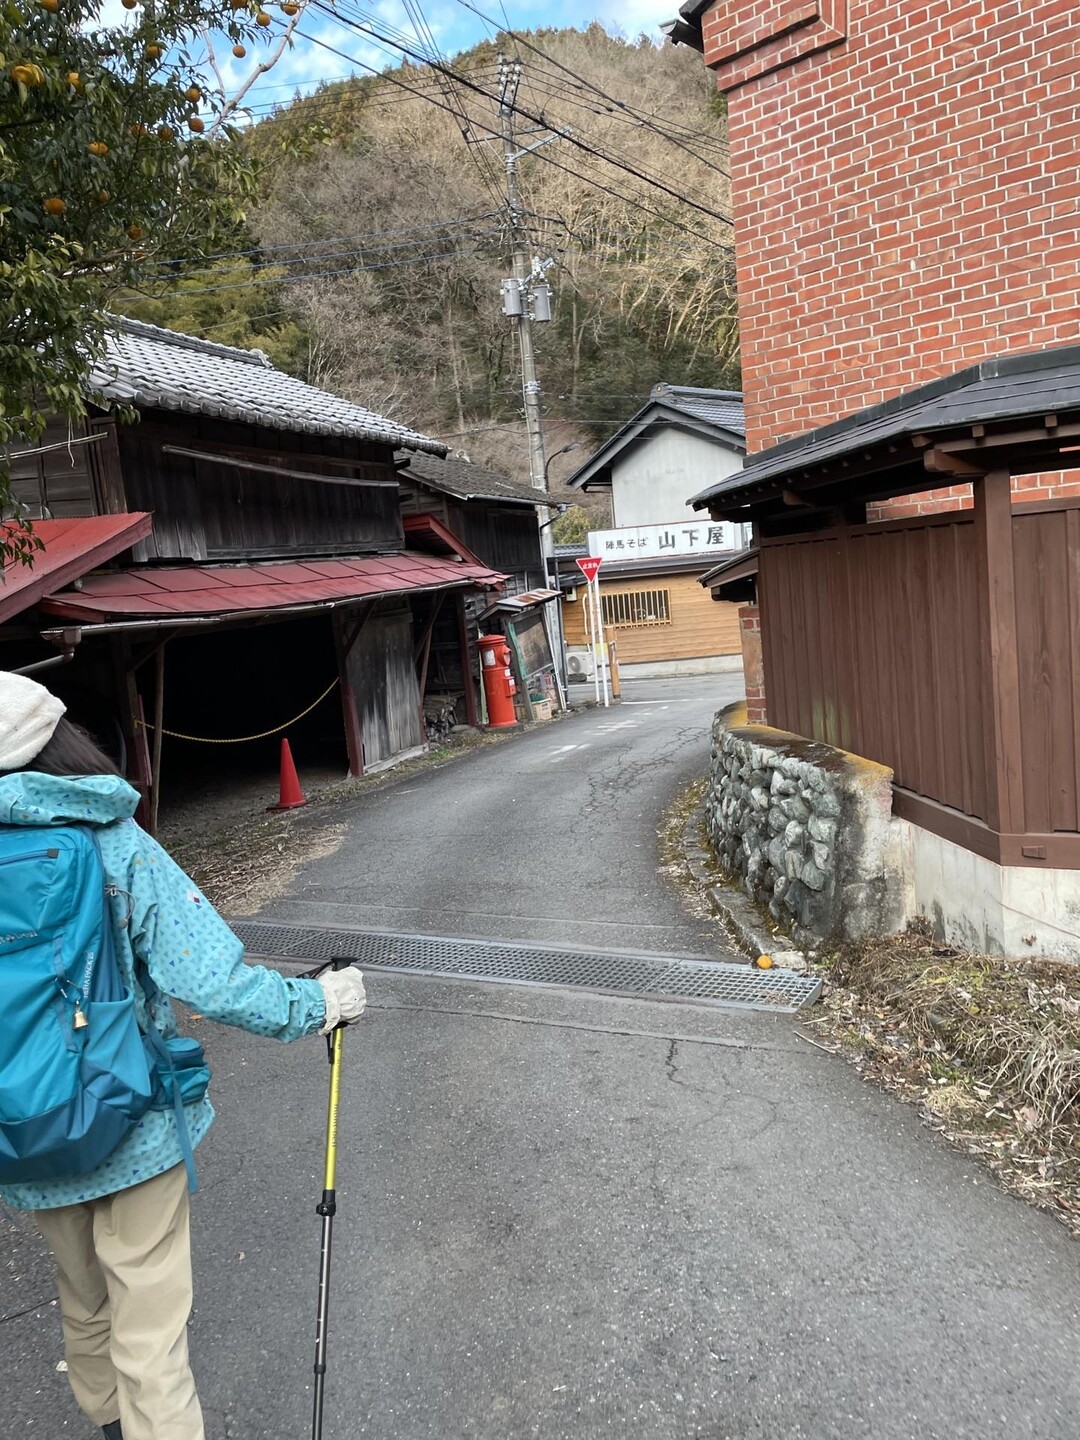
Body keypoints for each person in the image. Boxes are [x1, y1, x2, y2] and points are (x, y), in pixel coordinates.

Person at [0, 670, 367, 1440]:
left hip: (18, 1133)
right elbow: (213, 979)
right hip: (129, 1122)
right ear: (59, 742)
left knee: (84, 1301)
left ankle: (108, 1428)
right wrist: (319, 1005)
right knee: (150, 1333)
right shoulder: (109, 841)